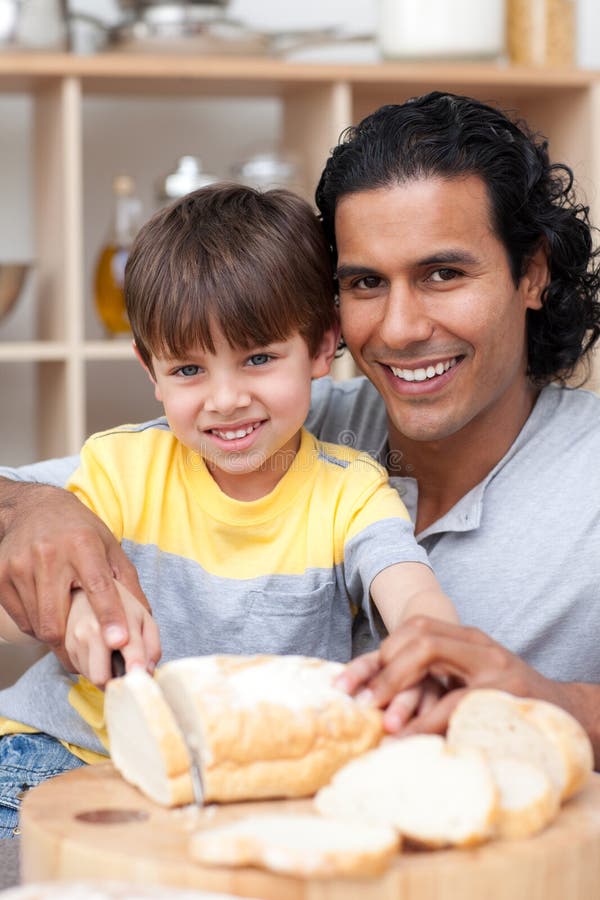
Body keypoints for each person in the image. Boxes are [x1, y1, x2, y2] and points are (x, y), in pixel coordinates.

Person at [1, 90, 600, 758]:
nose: (399, 329)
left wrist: (550, 701)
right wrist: (38, 509)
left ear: (533, 273)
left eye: (443, 273)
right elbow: (25, 500)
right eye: (367, 284)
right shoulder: (284, 427)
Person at [0, 183, 458, 838]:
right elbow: (21, 590)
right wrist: (75, 614)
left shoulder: (350, 491)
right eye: (187, 370)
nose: (224, 399)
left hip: (246, 781)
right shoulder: (122, 469)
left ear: (324, 347)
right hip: (63, 756)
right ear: (149, 370)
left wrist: (429, 642)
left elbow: (408, 586)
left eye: (260, 359)